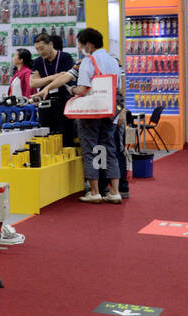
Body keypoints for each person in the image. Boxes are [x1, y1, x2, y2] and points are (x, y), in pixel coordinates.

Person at [36, 28, 123, 203]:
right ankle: (115, 192)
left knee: (89, 148)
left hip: (91, 112)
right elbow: (119, 87)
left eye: (80, 44)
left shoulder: (87, 62)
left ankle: (95, 191)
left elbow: (82, 88)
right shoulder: (114, 61)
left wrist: (72, 89)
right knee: (109, 149)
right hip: (110, 109)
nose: (79, 47)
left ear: (89, 45)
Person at [27, 31, 76, 148]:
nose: (40, 52)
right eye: (37, 49)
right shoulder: (38, 62)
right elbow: (32, 83)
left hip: (63, 103)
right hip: (45, 105)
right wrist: (55, 76)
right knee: (47, 138)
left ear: (51, 45)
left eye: (42, 48)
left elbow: (67, 77)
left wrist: (43, 80)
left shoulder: (65, 57)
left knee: (66, 139)